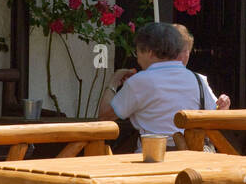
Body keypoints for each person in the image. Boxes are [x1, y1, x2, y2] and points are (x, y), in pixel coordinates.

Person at [97, 22, 223, 150]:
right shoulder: (199, 80)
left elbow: (105, 116)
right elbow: (216, 119)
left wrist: (113, 81)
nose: (137, 59)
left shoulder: (139, 82)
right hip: (196, 160)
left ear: (150, 52)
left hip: (154, 159)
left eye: (138, 52)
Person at [173, 24, 231, 110]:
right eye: (176, 50)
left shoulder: (199, 81)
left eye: (185, 50)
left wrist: (224, 105)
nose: (181, 56)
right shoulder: (148, 80)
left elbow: (216, 112)